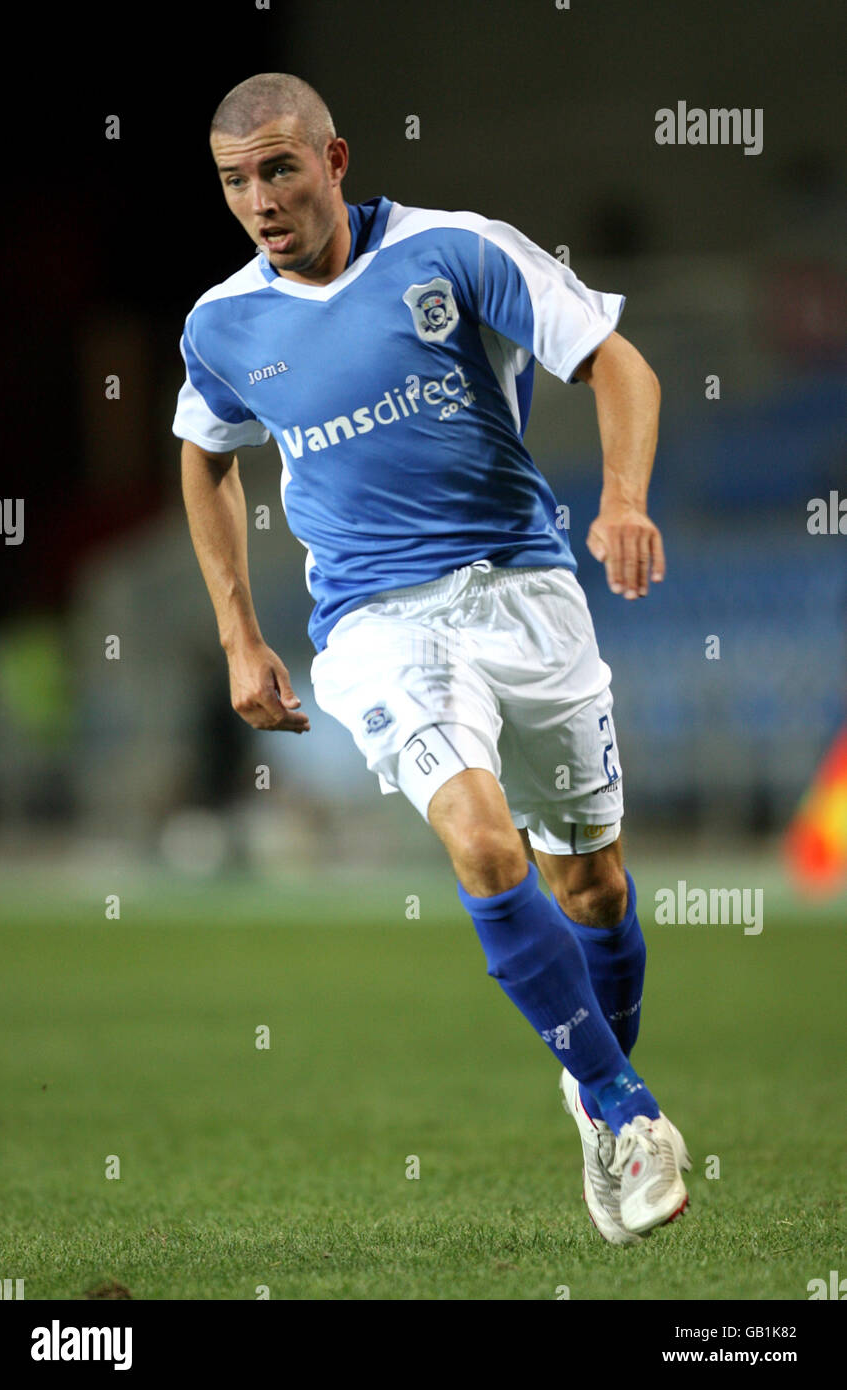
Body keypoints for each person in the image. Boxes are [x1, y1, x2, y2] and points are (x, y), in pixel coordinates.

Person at [174, 72, 691, 1243]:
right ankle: (622, 1103)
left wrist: (620, 500)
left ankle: (589, 1085)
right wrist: (240, 633)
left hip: (527, 593)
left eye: (279, 169)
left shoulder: (455, 252)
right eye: (234, 180)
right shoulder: (221, 324)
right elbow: (204, 456)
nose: (259, 198)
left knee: (593, 886)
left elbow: (619, 363)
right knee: (476, 833)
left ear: (335, 160)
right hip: (374, 622)